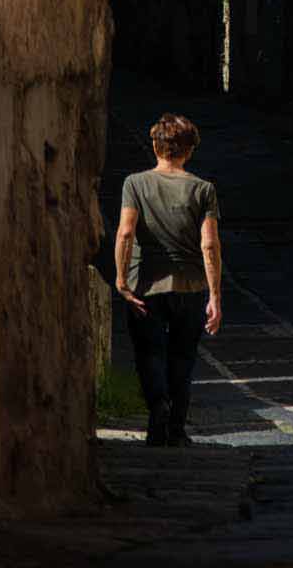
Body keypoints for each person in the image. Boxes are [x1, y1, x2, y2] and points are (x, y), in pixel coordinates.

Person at [115, 112, 223, 447]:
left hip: (146, 285)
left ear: (155, 146)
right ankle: (176, 426)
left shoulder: (135, 184)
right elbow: (209, 243)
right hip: (190, 286)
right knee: (183, 356)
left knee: (149, 352)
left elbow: (125, 232)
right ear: (189, 150)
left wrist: (121, 279)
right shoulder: (203, 190)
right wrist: (215, 295)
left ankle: (157, 408)